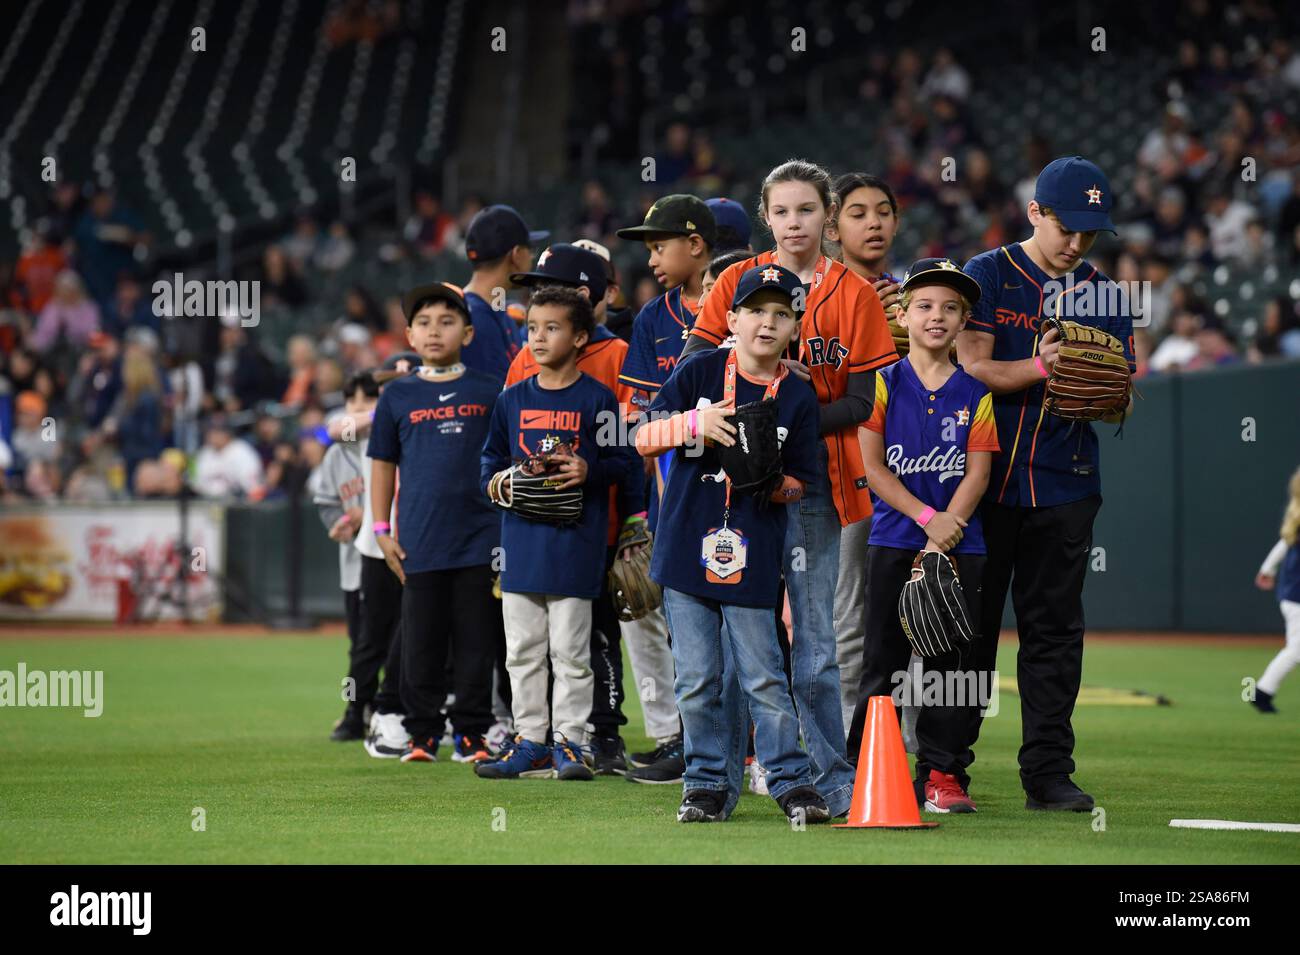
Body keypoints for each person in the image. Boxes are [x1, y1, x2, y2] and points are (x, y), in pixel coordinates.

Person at [681, 159, 898, 818]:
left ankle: (830, 779)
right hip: (735, 489)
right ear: (767, 216)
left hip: (814, 486)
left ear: (826, 217)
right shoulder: (736, 283)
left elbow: (860, 401)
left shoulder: (855, 294)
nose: (796, 222)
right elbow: (693, 369)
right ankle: (720, 778)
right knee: (735, 641)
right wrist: (762, 377)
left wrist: (786, 404)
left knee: (816, 645)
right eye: (783, 211)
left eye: (808, 210)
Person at [957, 156, 1136, 811]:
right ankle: (946, 767)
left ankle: (1049, 774)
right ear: (1035, 212)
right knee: (969, 632)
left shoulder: (1107, 297)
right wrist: (1042, 364)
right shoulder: (987, 273)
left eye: (1090, 232)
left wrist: (1105, 385)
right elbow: (971, 364)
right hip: (984, 480)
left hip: (1066, 484)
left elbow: (1118, 397)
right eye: (1067, 226)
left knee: (1054, 635)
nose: (1077, 242)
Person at [636, 264, 829, 824]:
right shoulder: (699, 371)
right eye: (756, 311)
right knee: (696, 680)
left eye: (781, 313)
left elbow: (803, 483)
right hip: (685, 548)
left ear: (794, 327)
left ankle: (791, 781)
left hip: (753, 554)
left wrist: (770, 483)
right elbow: (644, 436)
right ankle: (704, 785)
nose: (767, 322)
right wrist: (692, 427)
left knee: (765, 677)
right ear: (733, 318)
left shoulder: (796, 395)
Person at [845, 258, 1000, 812]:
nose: (937, 316)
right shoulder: (881, 384)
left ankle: (941, 773)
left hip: (962, 545)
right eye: (926, 305)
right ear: (903, 314)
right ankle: (865, 767)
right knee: (882, 660)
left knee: (951, 667)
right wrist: (926, 521)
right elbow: (874, 469)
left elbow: (977, 474)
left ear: (963, 323)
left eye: (951, 308)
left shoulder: (974, 391)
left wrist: (943, 534)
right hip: (895, 538)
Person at [478, 286, 643, 780]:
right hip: (522, 546)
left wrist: (587, 469)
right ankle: (531, 742)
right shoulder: (511, 399)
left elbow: (626, 461)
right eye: (532, 328)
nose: (539, 337)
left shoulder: (598, 398)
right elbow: (488, 462)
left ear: (580, 337)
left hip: (576, 544)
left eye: (552, 328)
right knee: (522, 652)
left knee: (571, 653)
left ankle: (571, 743)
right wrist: (502, 481)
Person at [369, 283, 502, 763]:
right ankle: (421, 733)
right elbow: (382, 463)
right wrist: (381, 532)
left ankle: (472, 732)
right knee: (420, 641)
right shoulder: (396, 395)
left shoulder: (491, 389)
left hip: (481, 538)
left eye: (446, 322)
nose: (433, 331)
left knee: (475, 640)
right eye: (423, 323)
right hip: (420, 540)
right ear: (408, 333)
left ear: (467, 332)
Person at [826, 171, 906, 730]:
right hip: (845, 471)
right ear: (833, 226)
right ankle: (845, 748)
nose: (873, 222)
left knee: (918, 609)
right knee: (845, 613)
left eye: (883, 211)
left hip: (912, 475)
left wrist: (915, 327)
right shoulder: (817, 296)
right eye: (858, 213)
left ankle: (915, 750)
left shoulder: (915, 298)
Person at [353, 351, 420, 760]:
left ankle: (415, 709)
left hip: (418, 540)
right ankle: (360, 711)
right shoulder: (372, 425)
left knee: (418, 629)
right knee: (372, 638)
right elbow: (328, 430)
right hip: (376, 544)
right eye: (388, 384)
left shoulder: (428, 421)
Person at [312, 372, 377, 741]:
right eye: (353, 402)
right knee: (359, 645)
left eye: (367, 401)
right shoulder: (337, 451)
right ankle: (357, 708)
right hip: (354, 564)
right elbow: (325, 503)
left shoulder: (393, 440)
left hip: (391, 561)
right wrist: (339, 521)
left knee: (391, 641)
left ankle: (382, 707)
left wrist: (364, 514)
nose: (358, 408)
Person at [461, 204, 549, 383]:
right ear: (516, 255)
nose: (531, 257)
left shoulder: (495, 306)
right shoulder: (474, 318)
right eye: (530, 250)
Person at [1252, 466, 1300, 714]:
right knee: (1297, 650)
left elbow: (1282, 545)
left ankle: (1261, 692)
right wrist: (1266, 570)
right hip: (1296, 598)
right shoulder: (1297, 520)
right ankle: (1261, 692)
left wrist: (1267, 569)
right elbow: (1284, 543)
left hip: (1291, 595)